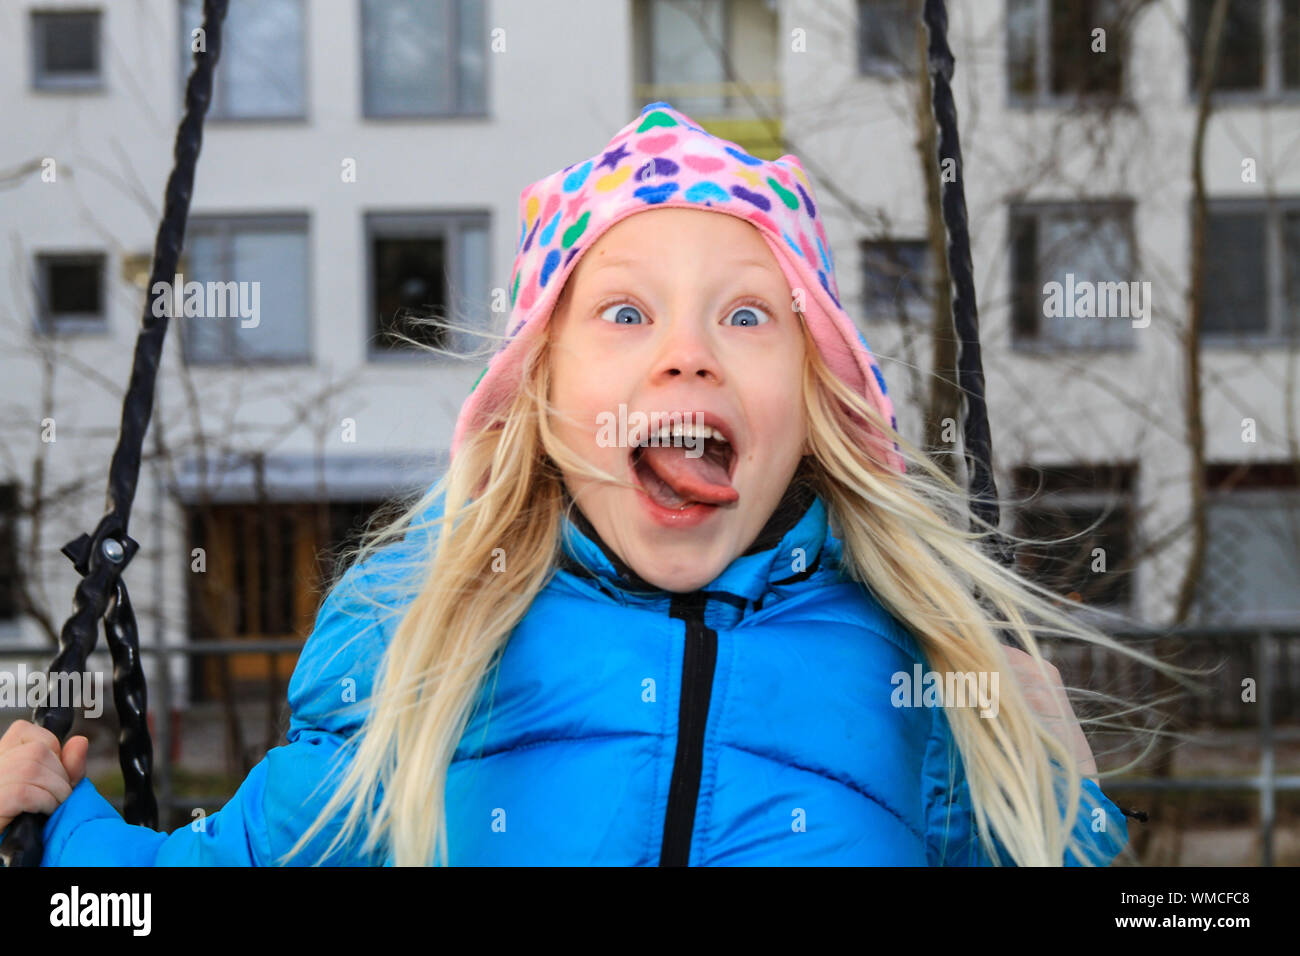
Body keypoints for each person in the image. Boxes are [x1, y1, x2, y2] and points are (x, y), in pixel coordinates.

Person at [0, 102, 1162, 866]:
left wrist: (1064, 799)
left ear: (814, 401)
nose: (687, 351)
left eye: (748, 315)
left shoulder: (915, 670)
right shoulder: (430, 644)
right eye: (623, 311)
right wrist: (48, 839)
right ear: (541, 398)